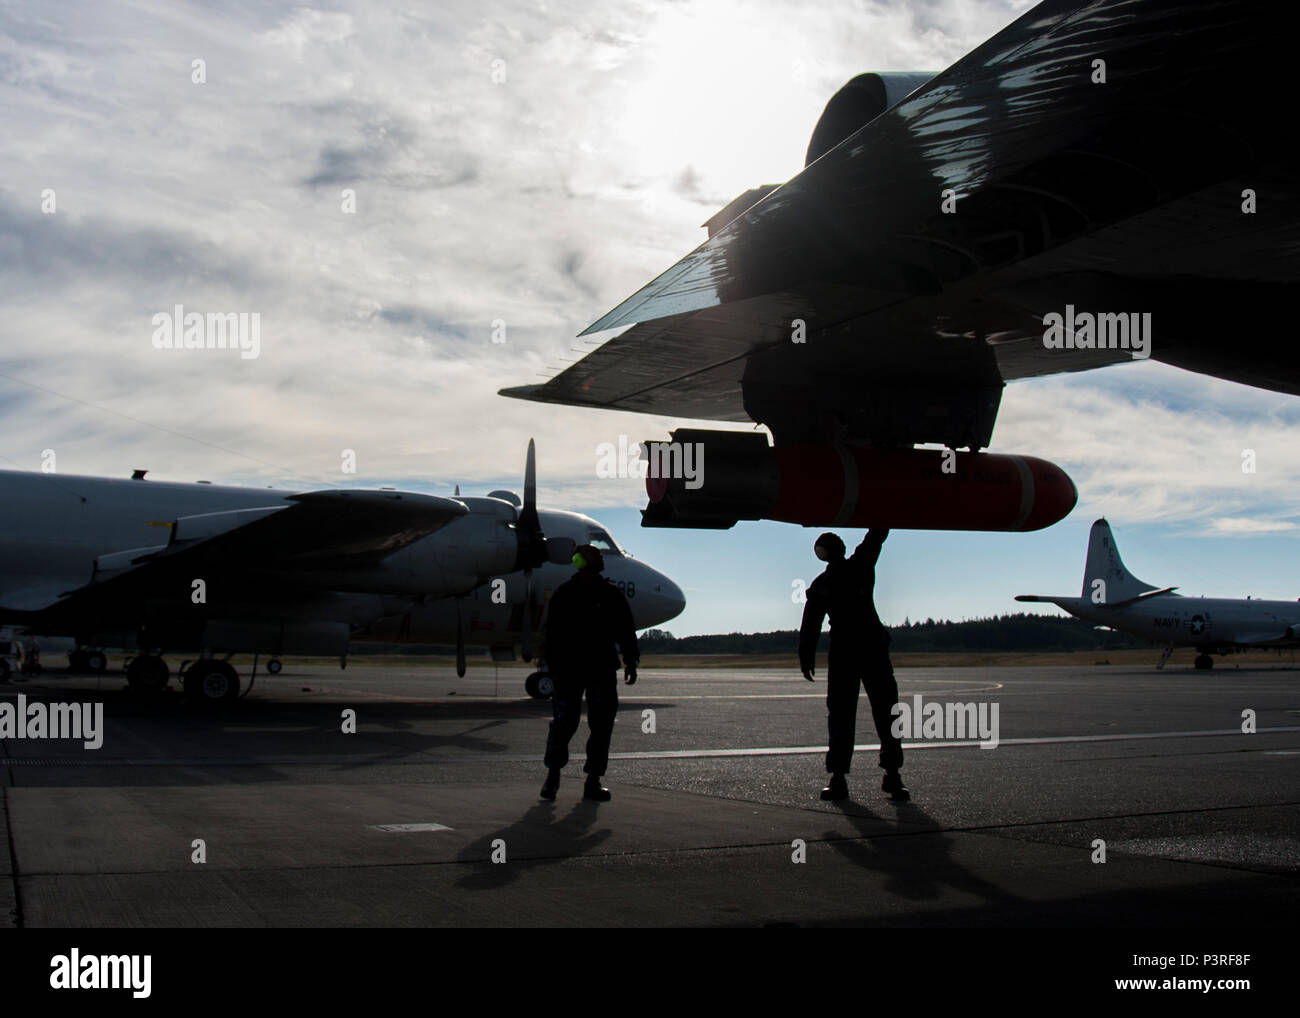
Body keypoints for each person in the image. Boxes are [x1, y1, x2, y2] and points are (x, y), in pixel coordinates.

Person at [799, 529, 908, 802]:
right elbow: (876, 536)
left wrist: (806, 656)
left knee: (846, 715)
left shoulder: (824, 582)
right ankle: (890, 775)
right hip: (865, 649)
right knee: (881, 712)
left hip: (851, 651)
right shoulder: (858, 566)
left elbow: (810, 624)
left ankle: (842, 777)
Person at [539, 544, 639, 802]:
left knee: (579, 723)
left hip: (581, 670)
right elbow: (626, 632)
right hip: (587, 669)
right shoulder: (604, 594)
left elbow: (625, 631)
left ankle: (565, 778)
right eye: (598, 555)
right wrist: (630, 662)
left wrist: (630, 660)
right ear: (588, 561)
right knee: (583, 724)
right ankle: (576, 779)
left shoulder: (570, 593)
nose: (603, 558)